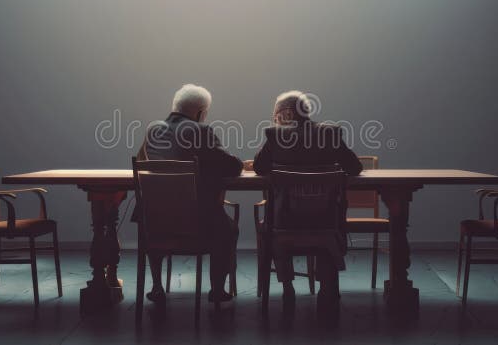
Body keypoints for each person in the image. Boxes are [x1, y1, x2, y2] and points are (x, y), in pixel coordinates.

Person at [253, 90, 363, 308]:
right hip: (326, 220)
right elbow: (354, 167)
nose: (274, 119)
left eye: (275, 115)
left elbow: (258, 167)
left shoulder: (276, 136)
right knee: (325, 221)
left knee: (271, 223)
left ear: (286, 113)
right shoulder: (329, 134)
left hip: (285, 222)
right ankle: (327, 288)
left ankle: (287, 287)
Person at [136, 84, 242, 303]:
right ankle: (217, 290)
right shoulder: (200, 130)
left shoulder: (153, 129)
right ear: (201, 112)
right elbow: (230, 166)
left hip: (154, 220)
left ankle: (157, 286)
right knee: (229, 229)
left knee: (155, 226)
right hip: (194, 221)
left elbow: (142, 163)